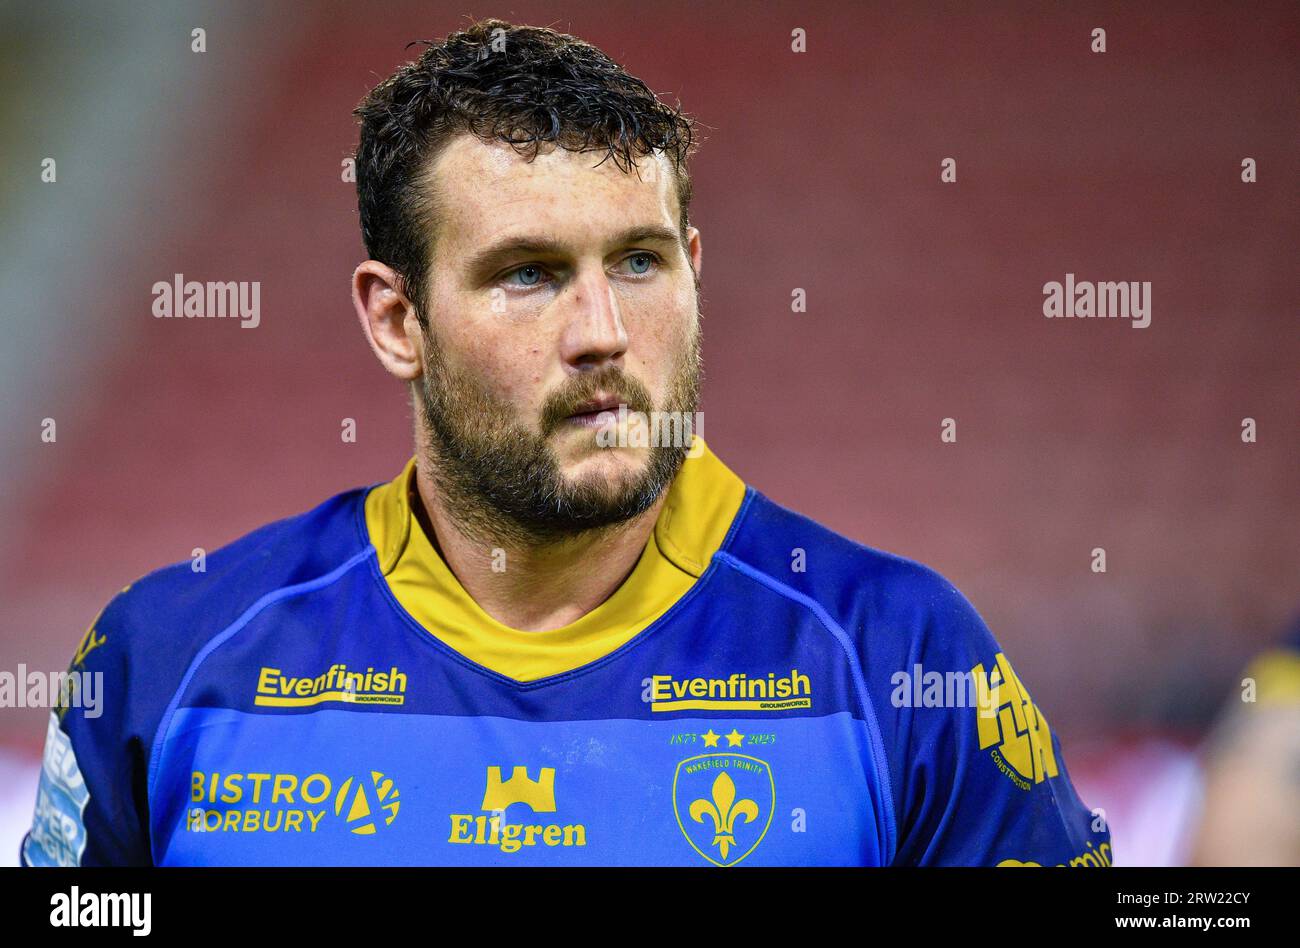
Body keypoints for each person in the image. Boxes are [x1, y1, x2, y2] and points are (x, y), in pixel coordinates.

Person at [22, 18, 1109, 866]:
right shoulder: (174, 662)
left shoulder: (896, 657)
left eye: (639, 263)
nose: (601, 334)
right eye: (528, 274)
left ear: (694, 265)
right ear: (397, 320)